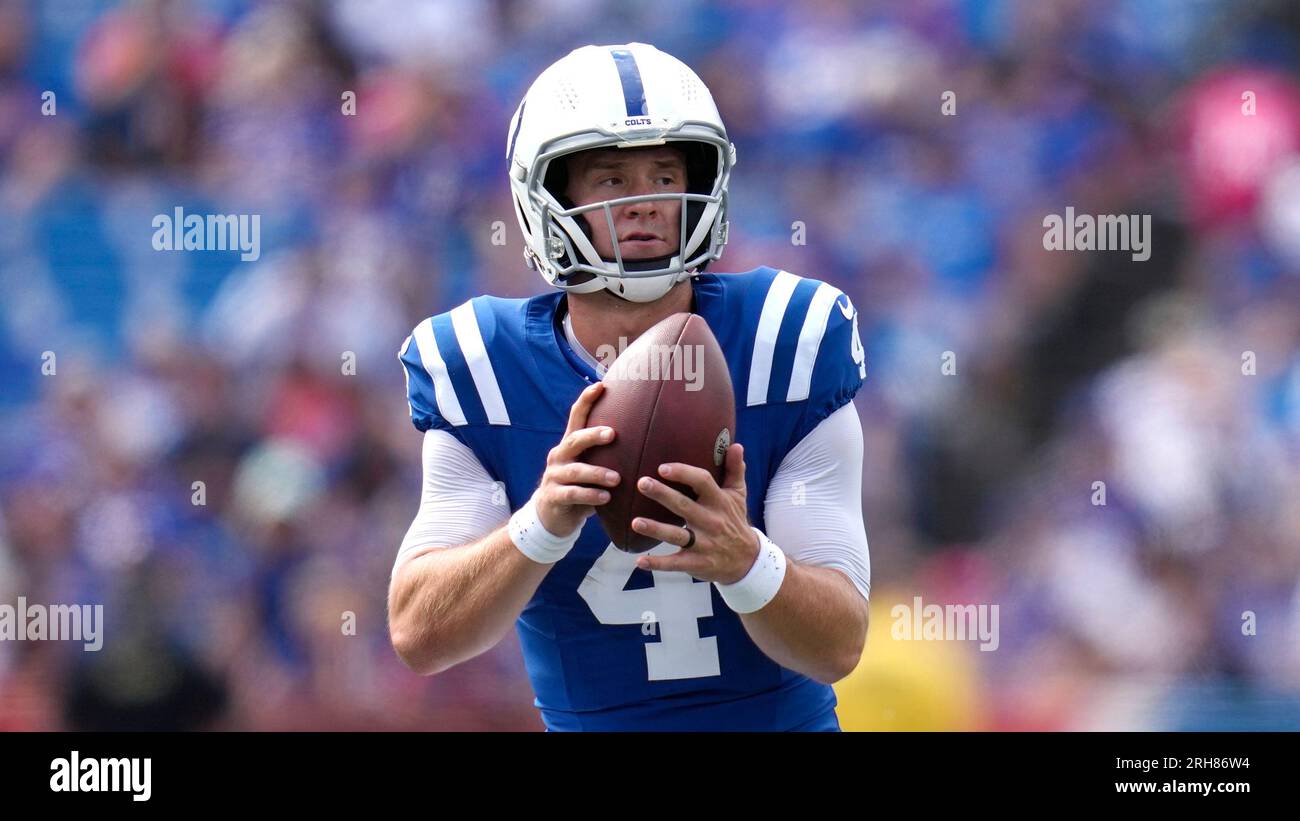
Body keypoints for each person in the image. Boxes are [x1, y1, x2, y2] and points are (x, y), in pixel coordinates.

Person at [387, 43, 871, 731]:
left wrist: (746, 559)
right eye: (611, 180)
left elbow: (839, 643)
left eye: (664, 173)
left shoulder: (783, 340)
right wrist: (541, 521)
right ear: (547, 196)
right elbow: (419, 634)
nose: (643, 202)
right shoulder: (483, 365)